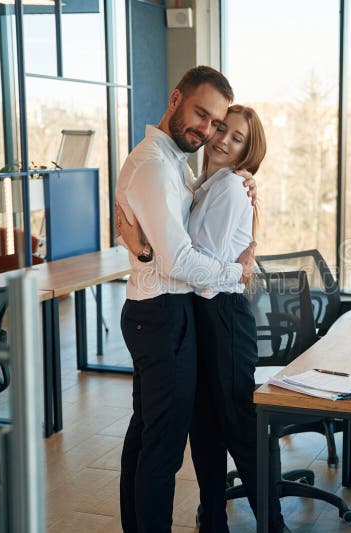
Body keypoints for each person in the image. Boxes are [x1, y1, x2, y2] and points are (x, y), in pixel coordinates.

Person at [116, 105, 289, 532]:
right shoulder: (202, 182)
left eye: (236, 138)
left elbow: (197, 265)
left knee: (238, 428)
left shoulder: (230, 187)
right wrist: (148, 248)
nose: (222, 140)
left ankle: (273, 523)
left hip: (223, 315)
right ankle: (212, 518)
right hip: (202, 313)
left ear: (248, 150)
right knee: (205, 426)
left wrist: (147, 250)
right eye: (221, 128)